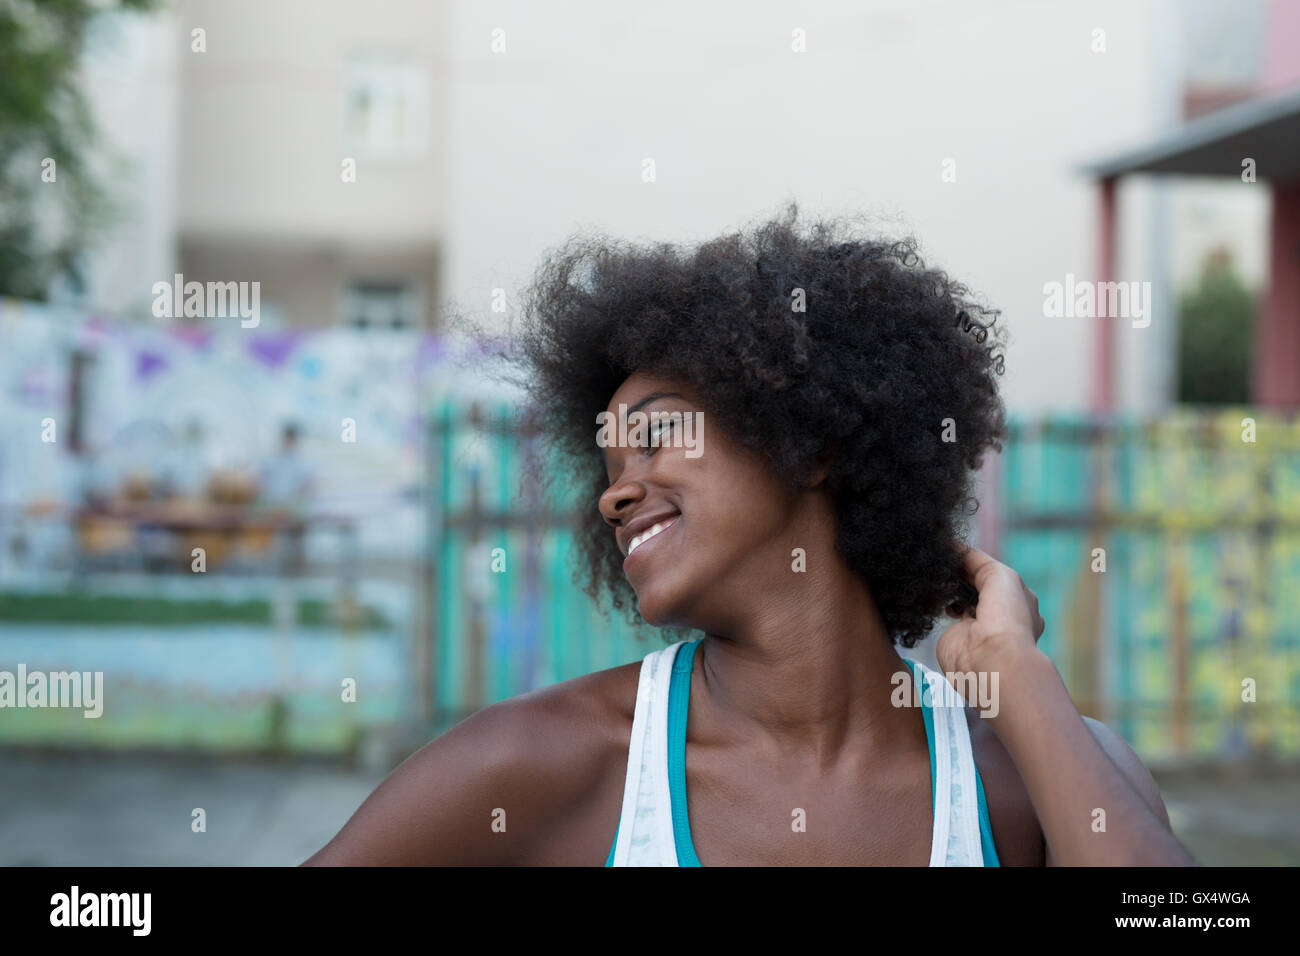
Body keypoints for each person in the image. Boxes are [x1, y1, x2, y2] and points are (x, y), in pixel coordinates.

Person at [303, 203, 1197, 866]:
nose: (617, 496)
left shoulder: (1038, 773)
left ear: (806, 443)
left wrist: (1023, 687)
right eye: (610, 465)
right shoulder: (544, 763)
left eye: (657, 434)